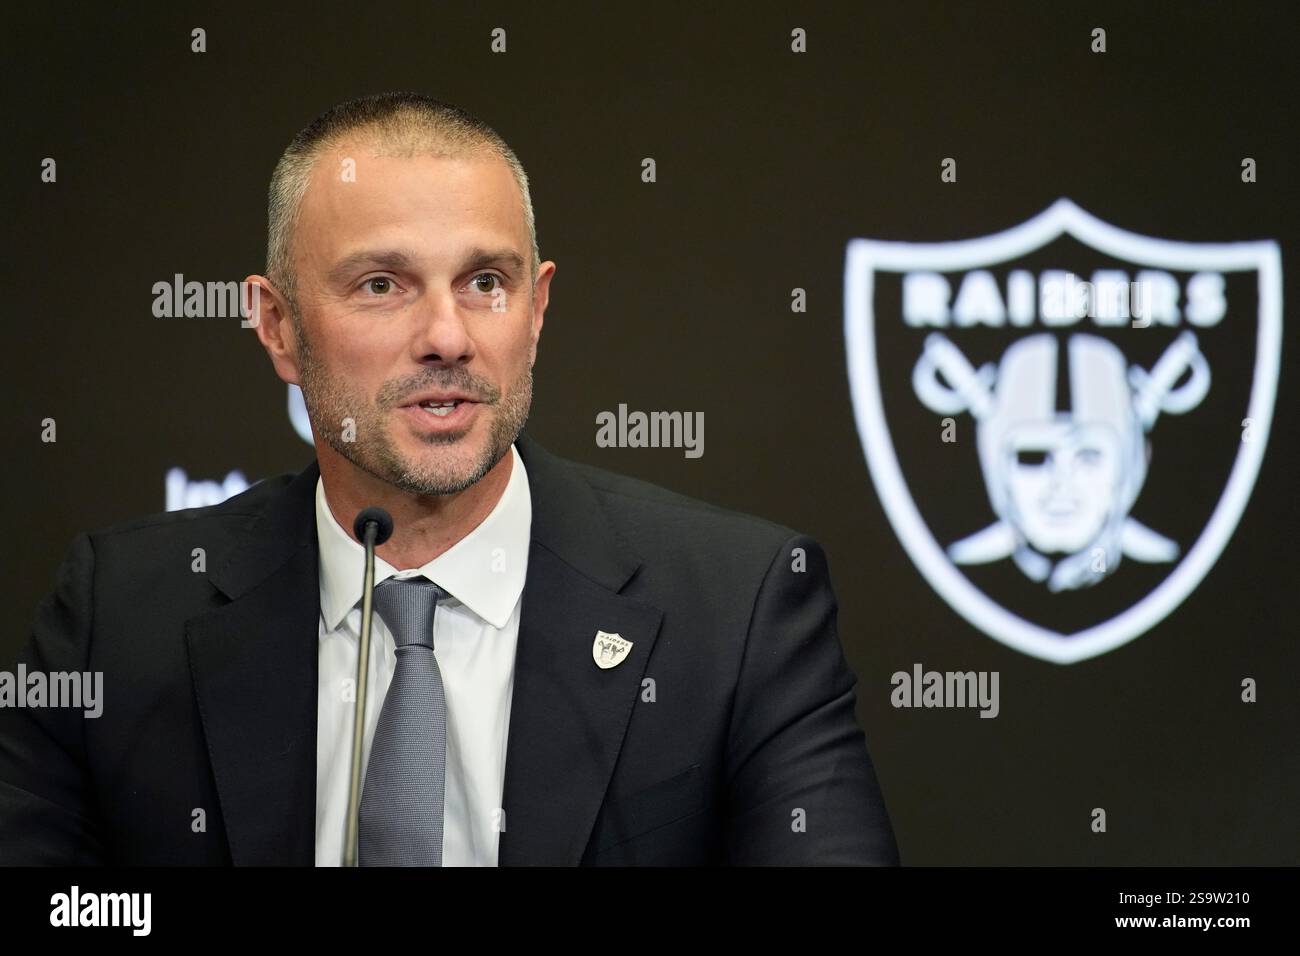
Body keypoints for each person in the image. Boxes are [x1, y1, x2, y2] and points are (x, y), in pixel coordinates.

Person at [0, 93, 899, 866]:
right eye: (383, 284)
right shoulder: (121, 614)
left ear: (538, 309)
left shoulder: (738, 609)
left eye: (485, 281)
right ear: (275, 325)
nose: (448, 336)